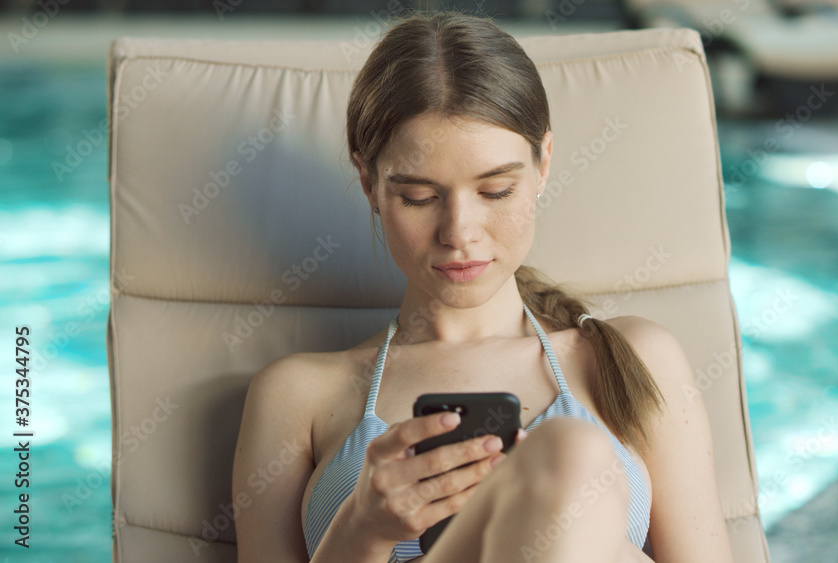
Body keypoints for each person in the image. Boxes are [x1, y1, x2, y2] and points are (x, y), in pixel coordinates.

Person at [232, 10, 734, 563]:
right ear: (368, 181)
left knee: (569, 457)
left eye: (495, 191)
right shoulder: (298, 395)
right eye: (419, 198)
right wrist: (364, 527)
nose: (459, 235)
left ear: (543, 164)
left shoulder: (630, 358)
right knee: (570, 456)